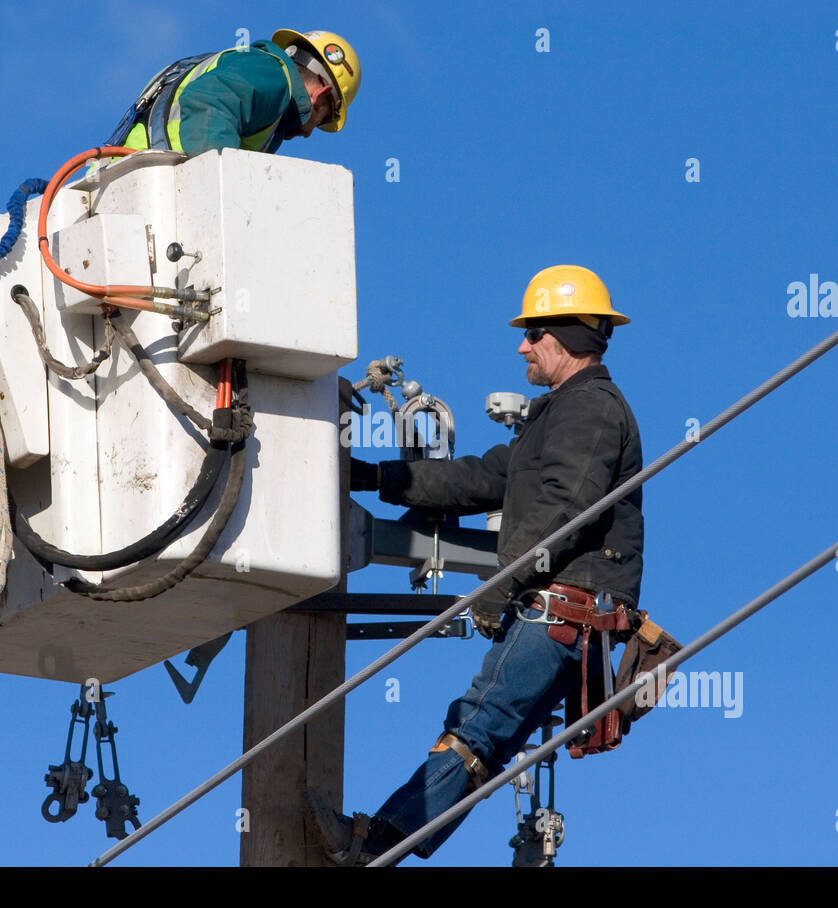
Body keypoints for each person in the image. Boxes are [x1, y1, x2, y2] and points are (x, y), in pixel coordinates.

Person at [309, 265, 645, 864]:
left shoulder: (591, 408)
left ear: (564, 335)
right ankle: (380, 845)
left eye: (532, 334)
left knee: (475, 726)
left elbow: (566, 509)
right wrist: (376, 477)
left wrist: (498, 586)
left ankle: (374, 842)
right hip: (567, 615)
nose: (522, 346)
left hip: (561, 611)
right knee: (481, 745)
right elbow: (484, 477)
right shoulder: (559, 411)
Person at [105, 29, 360, 157]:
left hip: (127, 187)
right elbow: (208, 103)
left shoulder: (244, 69)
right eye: (325, 119)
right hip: (144, 191)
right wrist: (221, 191)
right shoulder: (269, 73)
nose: (308, 133)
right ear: (321, 95)